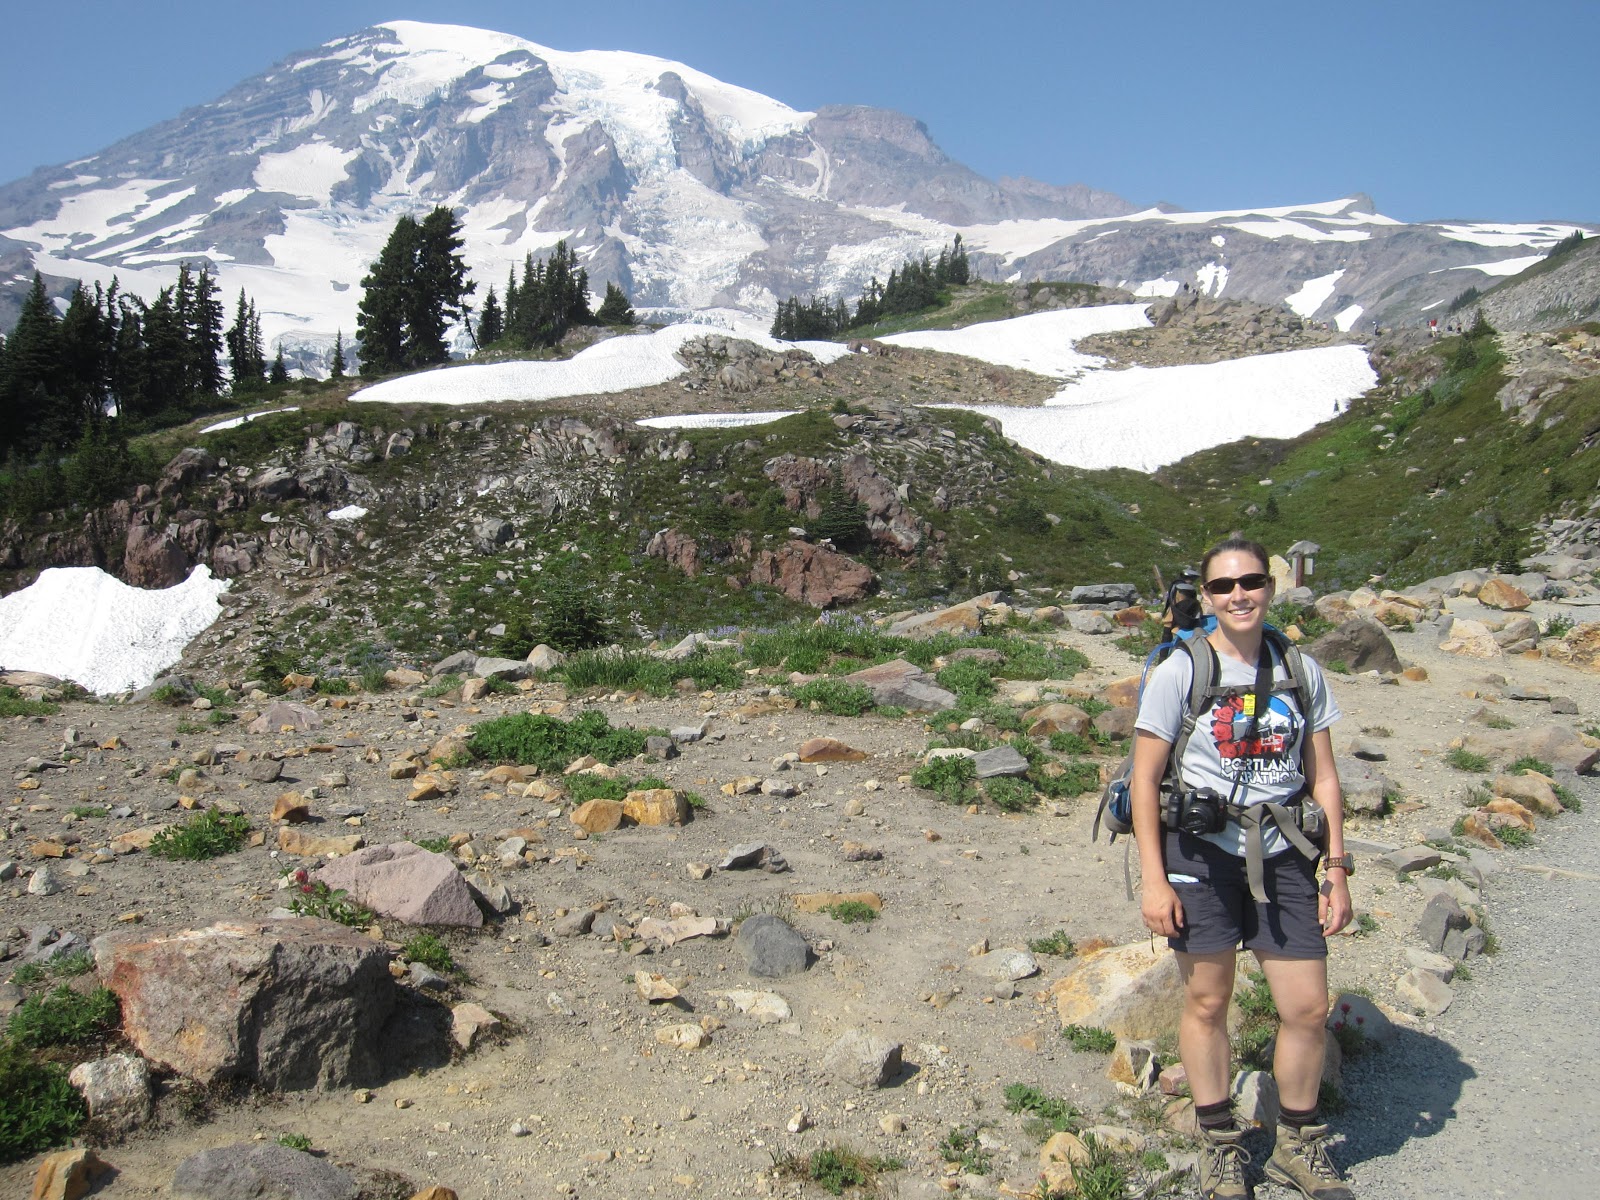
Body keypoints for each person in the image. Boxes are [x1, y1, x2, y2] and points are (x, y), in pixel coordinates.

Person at [1130, 535, 1354, 1200]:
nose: (1239, 595)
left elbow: (1326, 778)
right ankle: (1220, 1144)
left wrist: (1336, 869)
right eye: (1224, 586)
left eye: (1250, 582)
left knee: (1307, 1007)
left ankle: (1298, 1143)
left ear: (1270, 587)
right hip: (1199, 856)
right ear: (1206, 597)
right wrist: (1153, 877)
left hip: (1284, 852)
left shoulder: (1301, 669)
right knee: (1206, 999)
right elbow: (1145, 782)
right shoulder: (1181, 671)